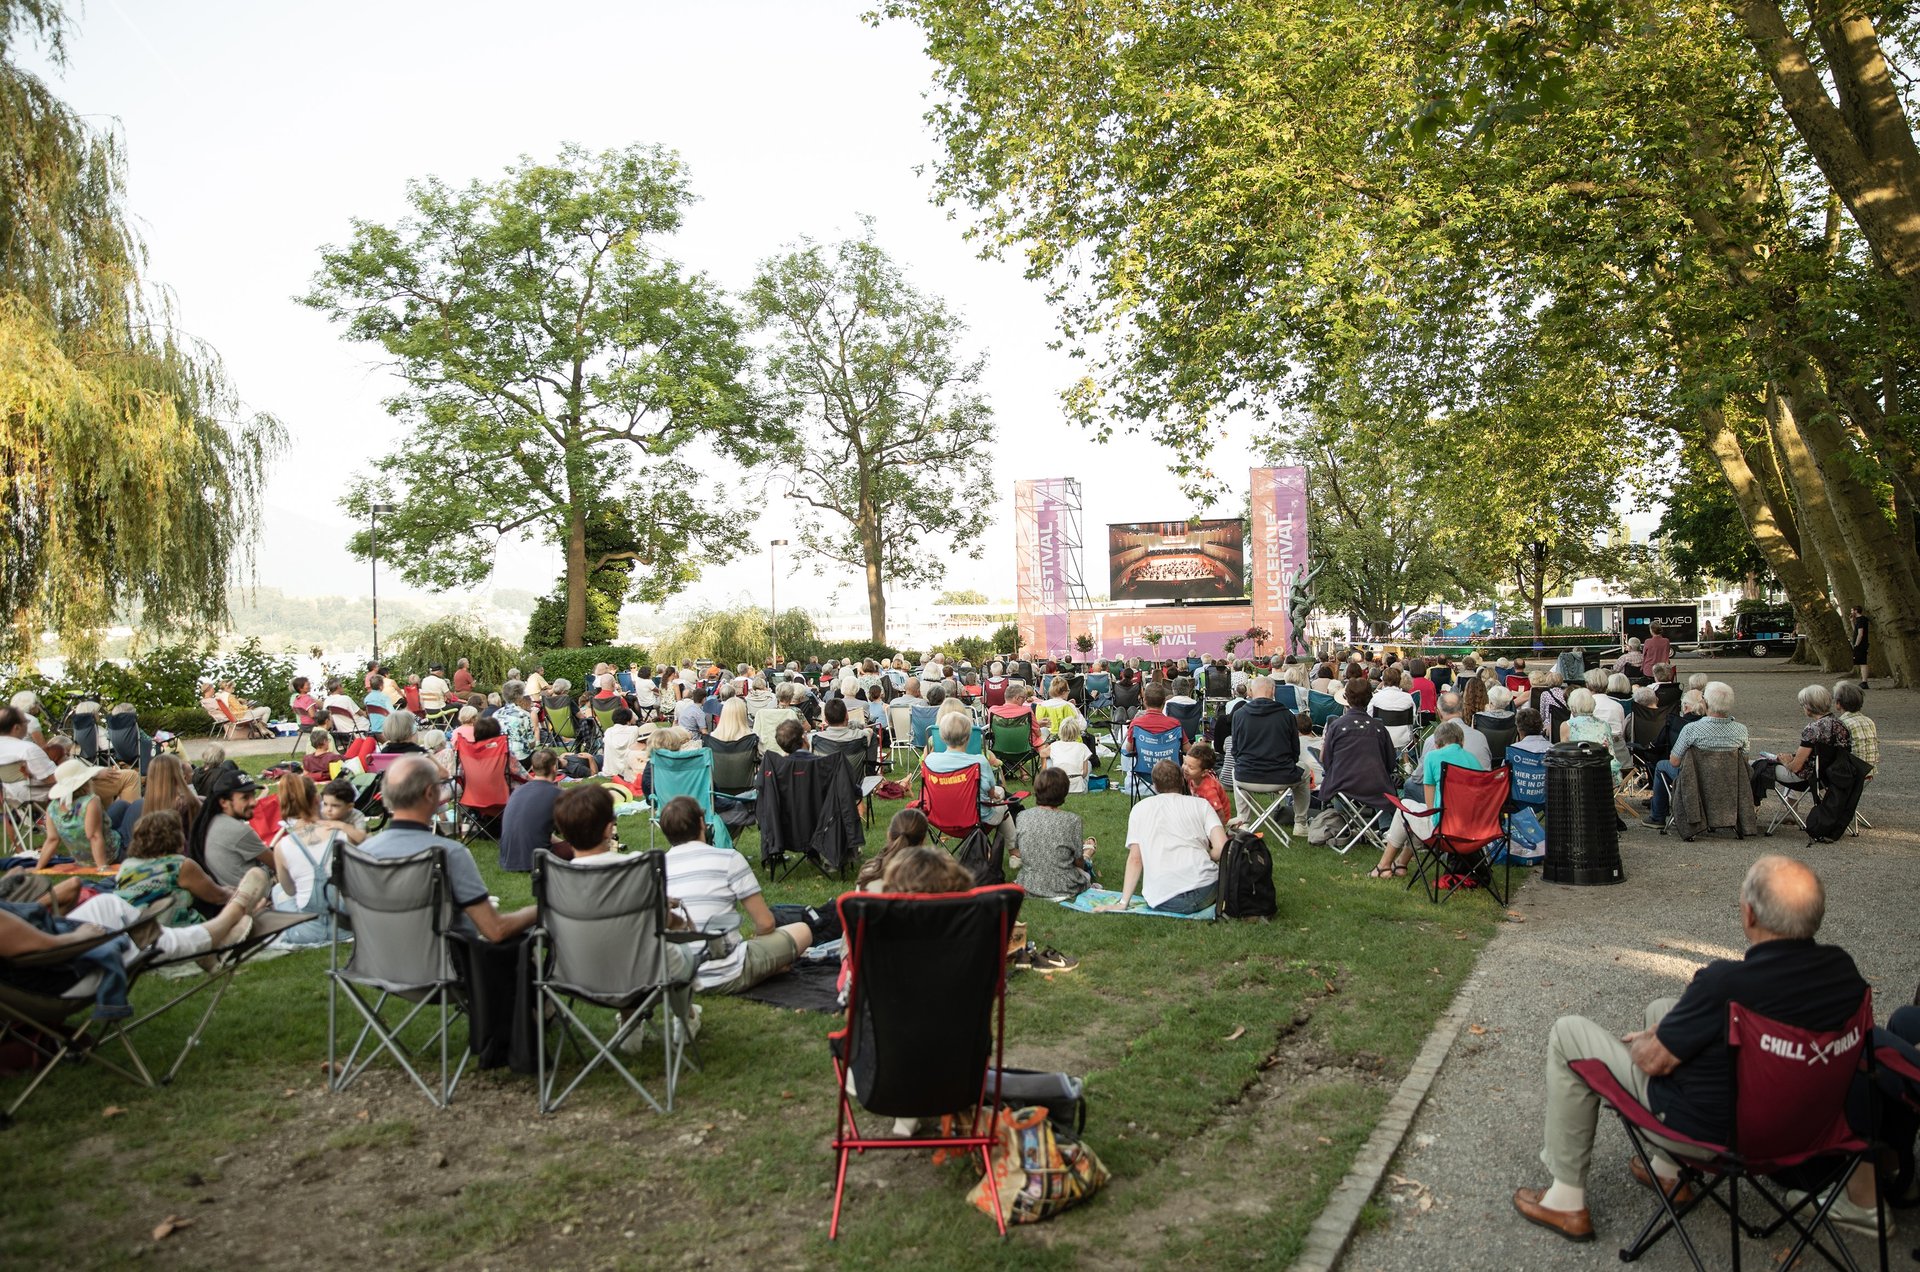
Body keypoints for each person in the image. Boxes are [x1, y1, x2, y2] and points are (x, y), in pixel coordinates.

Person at [1512, 855, 1871, 1242]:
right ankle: (1669, 1174)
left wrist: (1646, 1043)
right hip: (1807, 1131)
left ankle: (1565, 1200)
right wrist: (1664, 1032)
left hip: (1717, 1139)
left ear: (1749, 915)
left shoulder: (1726, 984)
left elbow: (1651, 1061)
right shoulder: (1845, 974)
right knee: (1664, 1010)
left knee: (1569, 1033)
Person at [355, 755, 536, 940]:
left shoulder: (361, 854)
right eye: (439, 787)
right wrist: (541, 909)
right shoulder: (449, 854)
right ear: (430, 794)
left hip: (373, 964)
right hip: (442, 964)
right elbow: (495, 930)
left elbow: (347, 918)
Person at [658, 795, 820, 994]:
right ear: (702, 823)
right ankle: (769, 968)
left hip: (677, 974)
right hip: (726, 972)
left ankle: (768, 965)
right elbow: (765, 923)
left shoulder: (657, 869)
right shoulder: (728, 858)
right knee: (803, 930)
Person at [1101, 760, 1226, 914]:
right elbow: (1222, 848)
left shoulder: (1139, 809)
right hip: (1207, 889)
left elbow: (1135, 858)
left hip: (1164, 898)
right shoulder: (1201, 805)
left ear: (1154, 785)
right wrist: (1206, 855)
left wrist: (1123, 902)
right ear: (1182, 781)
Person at [1372, 720, 1485, 879]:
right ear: (1462, 742)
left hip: (1445, 830)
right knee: (1418, 814)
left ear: (1437, 745)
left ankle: (1383, 866)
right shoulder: (1473, 760)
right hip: (1473, 829)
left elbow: (1430, 807)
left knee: (1406, 808)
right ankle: (1401, 864)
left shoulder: (1433, 756)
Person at [1643, 681, 1747, 828]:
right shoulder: (1741, 731)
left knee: (1661, 766)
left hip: (1695, 780)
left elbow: (1674, 762)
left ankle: (1657, 817)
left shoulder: (1691, 729)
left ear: (1706, 704)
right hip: (1728, 779)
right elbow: (1744, 761)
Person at [1311, 676, 1397, 844]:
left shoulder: (1336, 726)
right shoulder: (1379, 728)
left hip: (1343, 783)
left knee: (1338, 781)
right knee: (1385, 786)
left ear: (1346, 698)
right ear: (1369, 698)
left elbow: (1327, 760)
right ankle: (1385, 829)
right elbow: (1390, 763)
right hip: (1374, 784)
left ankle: (1342, 825)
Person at [268, 773, 350, 947]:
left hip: (304, 932)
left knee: (278, 891)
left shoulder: (283, 846)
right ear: (317, 799)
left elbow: (290, 891)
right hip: (346, 926)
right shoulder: (343, 833)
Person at [116, 809, 233, 925]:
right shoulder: (179, 865)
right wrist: (240, 891)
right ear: (174, 836)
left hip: (133, 933)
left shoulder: (127, 865)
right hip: (172, 933)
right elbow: (217, 896)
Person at [1222, 677, 1307, 830]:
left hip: (1247, 776)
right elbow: (1296, 750)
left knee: (1236, 769)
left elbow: (1236, 751)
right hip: (1281, 776)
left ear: (1250, 692)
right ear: (1273, 691)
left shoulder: (1239, 715)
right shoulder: (1287, 715)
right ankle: (1300, 823)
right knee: (1305, 771)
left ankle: (1244, 819)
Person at [925, 712, 1011, 849]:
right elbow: (991, 793)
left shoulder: (930, 760)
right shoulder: (979, 761)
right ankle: (1013, 851)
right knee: (1001, 797)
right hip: (976, 819)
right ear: (968, 737)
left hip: (939, 817)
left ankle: (986, 849)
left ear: (941, 736)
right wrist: (996, 795)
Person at [1013, 767, 1094, 900]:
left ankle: (1088, 854)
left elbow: (1020, 850)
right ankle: (1089, 854)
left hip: (1029, 884)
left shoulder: (1022, 816)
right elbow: (1078, 861)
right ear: (1064, 791)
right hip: (1064, 885)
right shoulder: (1072, 820)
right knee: (1085, 869)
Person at [186, 768, 273, 888]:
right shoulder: (240, 831)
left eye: (253, 795)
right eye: (245, 798)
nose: (254, 802)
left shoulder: (210, 821)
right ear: (224, 802)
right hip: (254, 896)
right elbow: (276, 864)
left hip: (230, 894)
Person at [38, 758, 121, 869]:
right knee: (136, 805)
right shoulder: (90, 802)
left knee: (121, 806)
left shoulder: (52, 808)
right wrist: (102, 867)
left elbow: (52, 839)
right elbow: (94, 836)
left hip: (82, 860)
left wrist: (38, 867)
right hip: (110, 855)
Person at [1766, 683, 1850, 789]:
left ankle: (1749, 803)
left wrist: (1786, 762)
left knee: (1756, 766)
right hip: (1834, 776)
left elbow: (1795, 768)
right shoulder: (1840, 724)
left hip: (1810, 778)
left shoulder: (1812, 729)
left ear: (1808, 708)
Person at [497, 749, 567, 873]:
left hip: (508, 860)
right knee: (585, 847)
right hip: (538, 860)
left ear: (533, 768)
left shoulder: (518, 791)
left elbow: (535, 827)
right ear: (554, 768)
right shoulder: (556, 794)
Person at [1560, 688, 1622, 782]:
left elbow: (1563, 755)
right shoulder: (1604, 725)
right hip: (1606, 775)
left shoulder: (1567, 726)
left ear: (1572, 707)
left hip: (1578, 776)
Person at [0, 705, 56, 808]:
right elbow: (51, 779)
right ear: (16, 727)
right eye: (26, 722)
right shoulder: (27, 749)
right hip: (41, 796)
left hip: (13, 797)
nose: (28, 724)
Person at [1830, 681, 1877, 774]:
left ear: (1838, 704)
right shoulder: (1869, 721)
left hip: (1852, 769)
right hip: (1869, 768)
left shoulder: (1841, 723)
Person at [1182, 742, 1232, 826]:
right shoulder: (1191, 777)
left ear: (1204, 772)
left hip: (1216, 818)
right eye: (1185, 763)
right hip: (1203, 810)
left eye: (1191, 767)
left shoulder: (1209, 789)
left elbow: (1220, 813)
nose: (1185, 768)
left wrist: (1218, 829)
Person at [599, 708, 647, 787]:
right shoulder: (634, 730)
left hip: (609, 771)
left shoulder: (608, 731)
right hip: (626, 772)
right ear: (628, 719)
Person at [1049, 716, 1094, 793]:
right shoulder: (1082, 747)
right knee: (1088, 763)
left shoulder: (1054, 746)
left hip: (1057, 787)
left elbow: (1043, 754)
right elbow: (1084, 773)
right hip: (1078, 788)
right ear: (1077, 732)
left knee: (1049, 761)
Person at [494, 680, 536, 763]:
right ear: (520, 696)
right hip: (519, 759)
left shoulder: (496, 714)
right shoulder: (523, 715)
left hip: (501, 758)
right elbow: (531, 743)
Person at [1850, 604, 1869, 689]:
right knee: (1861, 663)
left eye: (1852, 610)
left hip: (1861, 645)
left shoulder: (1861, 620)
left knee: (1863, 663)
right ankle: (1863, 680)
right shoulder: (1858, 620)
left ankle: (1864, 681)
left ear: (1856, 611)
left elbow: (1860, 634)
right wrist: (1852, 622)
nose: (1851, 612)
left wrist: (1857, 644)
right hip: (1860, 644)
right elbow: (1856, 632)